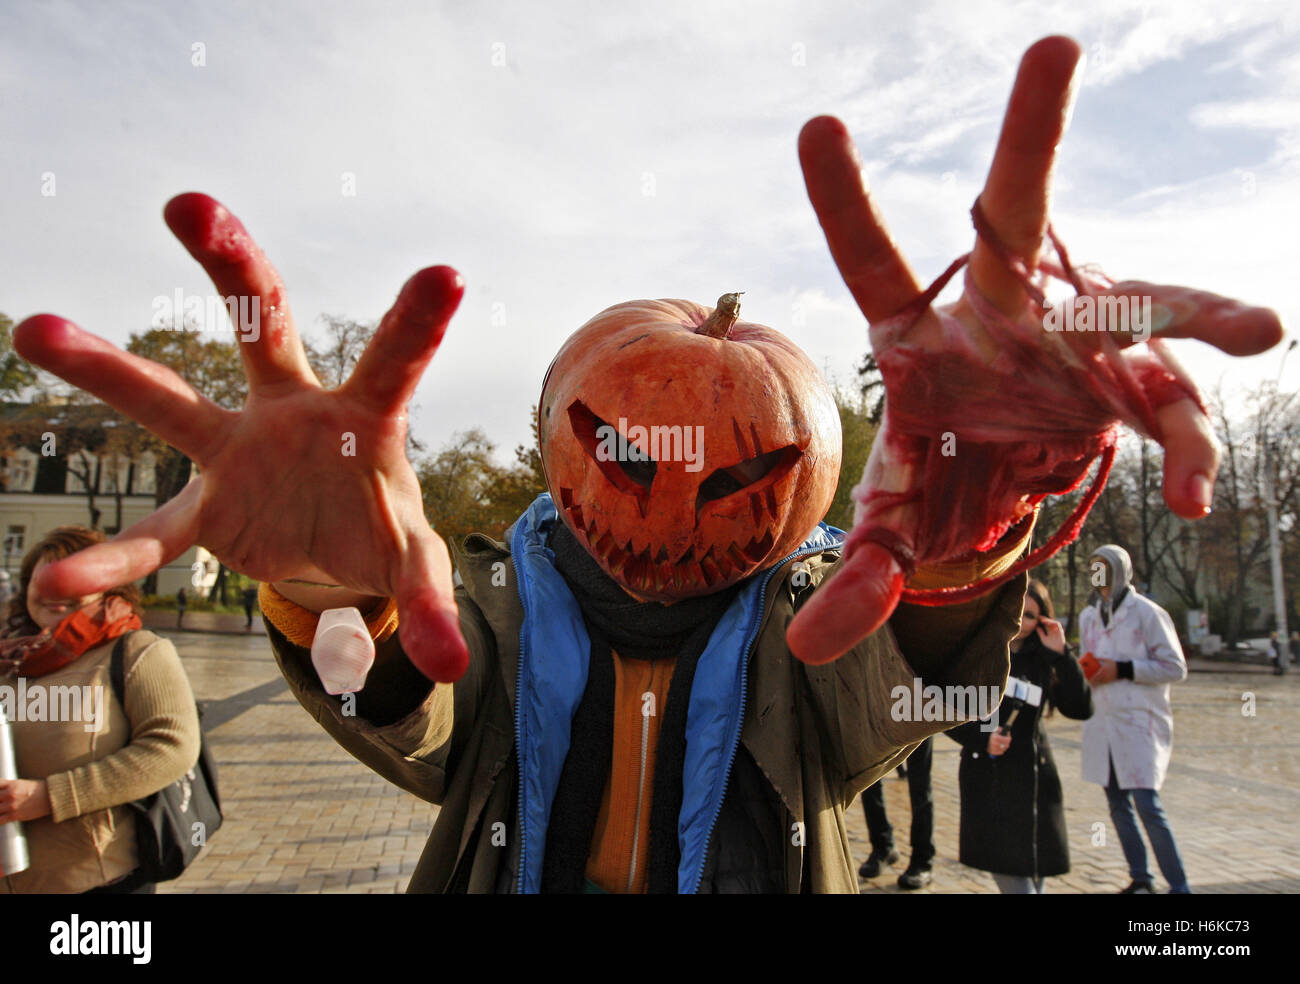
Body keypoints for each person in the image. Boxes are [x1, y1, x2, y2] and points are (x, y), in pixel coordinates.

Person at [10, 36, 1275, 892]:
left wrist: (953, 545)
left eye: (734, 480)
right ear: (556, 431)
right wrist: (339, 599)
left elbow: (891, 703)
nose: (671, 503)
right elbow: (429, 734)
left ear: (801, 486)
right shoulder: (494, 593)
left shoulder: (805, 625)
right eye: (622, 451)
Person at [0, 526, 201, 894]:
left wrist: (50, 796)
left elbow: (172, 747)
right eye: (43, 580)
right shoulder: (9, 659)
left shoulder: (137, 651)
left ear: (109, 586)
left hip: (98, 881)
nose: (54, 594)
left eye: (72, 581)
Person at [946, 579, 1092, 893]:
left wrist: (1062, 654)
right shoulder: (978, 649)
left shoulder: (1044, 657)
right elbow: (944, 710)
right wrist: (983, 738)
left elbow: (1080, 707)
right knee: (1014, 878)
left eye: (1030, 615)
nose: (1021, 621)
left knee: (1036, 875)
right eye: (1018, 611)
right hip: (991, 778)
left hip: (1035, 778)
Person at [1080, 545, 1191, 894]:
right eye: (1094, 569)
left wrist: (1124, 669)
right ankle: (1140, 877)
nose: (1100, 577)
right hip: (1104, 720)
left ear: (1120, 571)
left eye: (1105, 569)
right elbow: (1090, 658)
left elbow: (1175, 666)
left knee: (1147, 804)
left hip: (1140, 721)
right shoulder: (1088, 616)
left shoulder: (1147, 613)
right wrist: (1088, 671)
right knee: (1116, 803)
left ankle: (1179, 885)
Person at [857, 737, 935, 889]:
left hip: (920, 716)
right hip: (879, 715)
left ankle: (923, 860)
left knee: (920, 785)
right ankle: (883, 847)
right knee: (868, 777)